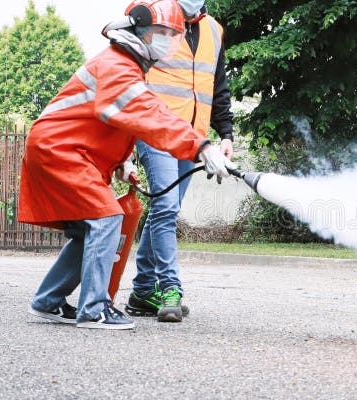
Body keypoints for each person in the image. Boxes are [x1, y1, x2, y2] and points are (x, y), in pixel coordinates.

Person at [21, 0, 234, 330]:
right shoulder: (119, 65)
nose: (167, 39)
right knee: (107, 219)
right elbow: (147, 112)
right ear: (139, 30)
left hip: (63, 149)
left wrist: (122, 161)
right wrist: (201, 145)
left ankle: (47, 301)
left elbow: (115, 120)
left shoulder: (129, 65)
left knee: (85, 230)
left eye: (172, 34)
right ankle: (93, 310)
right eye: (160, 32)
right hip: (60, 150)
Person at [125, 0, 234, 323]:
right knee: (167, 208)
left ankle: (143, 289)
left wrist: (225, 134)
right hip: (155, 130)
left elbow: (218, 86)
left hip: (192, 139)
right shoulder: (150, 17)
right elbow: (129, 79)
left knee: (164, 207)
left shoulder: (213, 29)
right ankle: (170, 288)